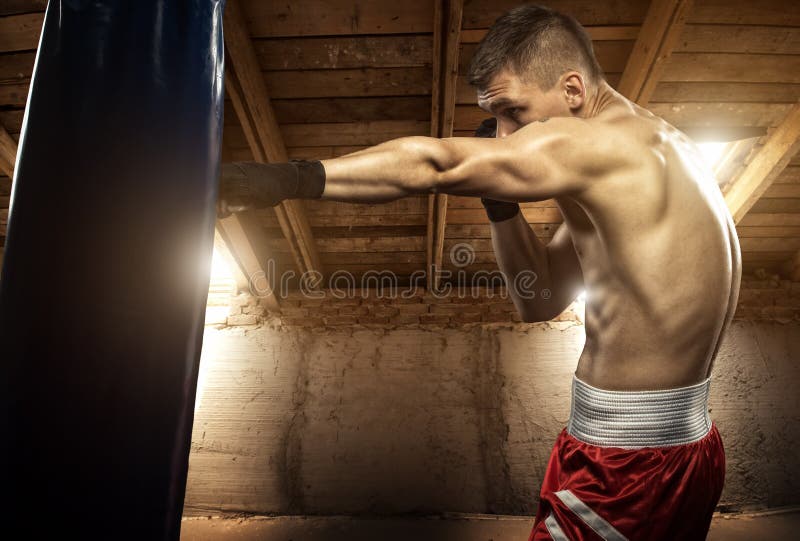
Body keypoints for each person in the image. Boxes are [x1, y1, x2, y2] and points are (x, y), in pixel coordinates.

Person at [218, 4, 740, 540]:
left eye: (513, 111)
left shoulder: (601, 143)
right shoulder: (660, 152)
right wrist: (500, 207)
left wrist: (282, 179)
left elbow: (434, 164)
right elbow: (539, 300)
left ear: (573, 90)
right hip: (687, 448)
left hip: (626, 464)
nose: (503, 137)